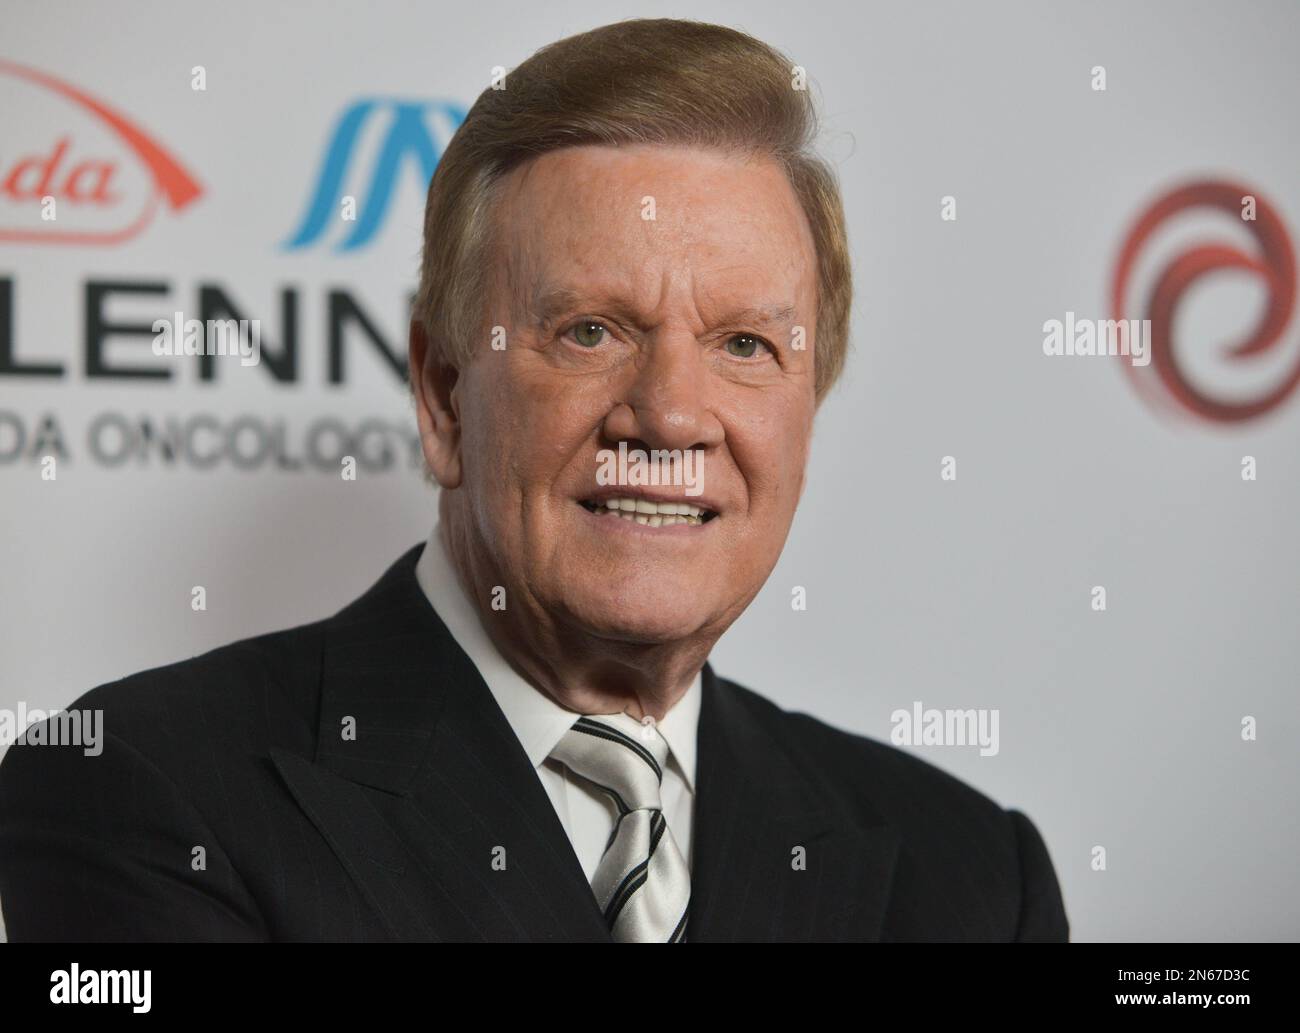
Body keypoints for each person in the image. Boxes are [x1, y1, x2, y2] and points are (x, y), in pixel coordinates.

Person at [0, 17, 1068, 942]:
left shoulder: (969, 874)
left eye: (745, 344)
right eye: (591, 330)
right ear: (444, 393)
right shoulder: (143, 792)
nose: (670, 414)